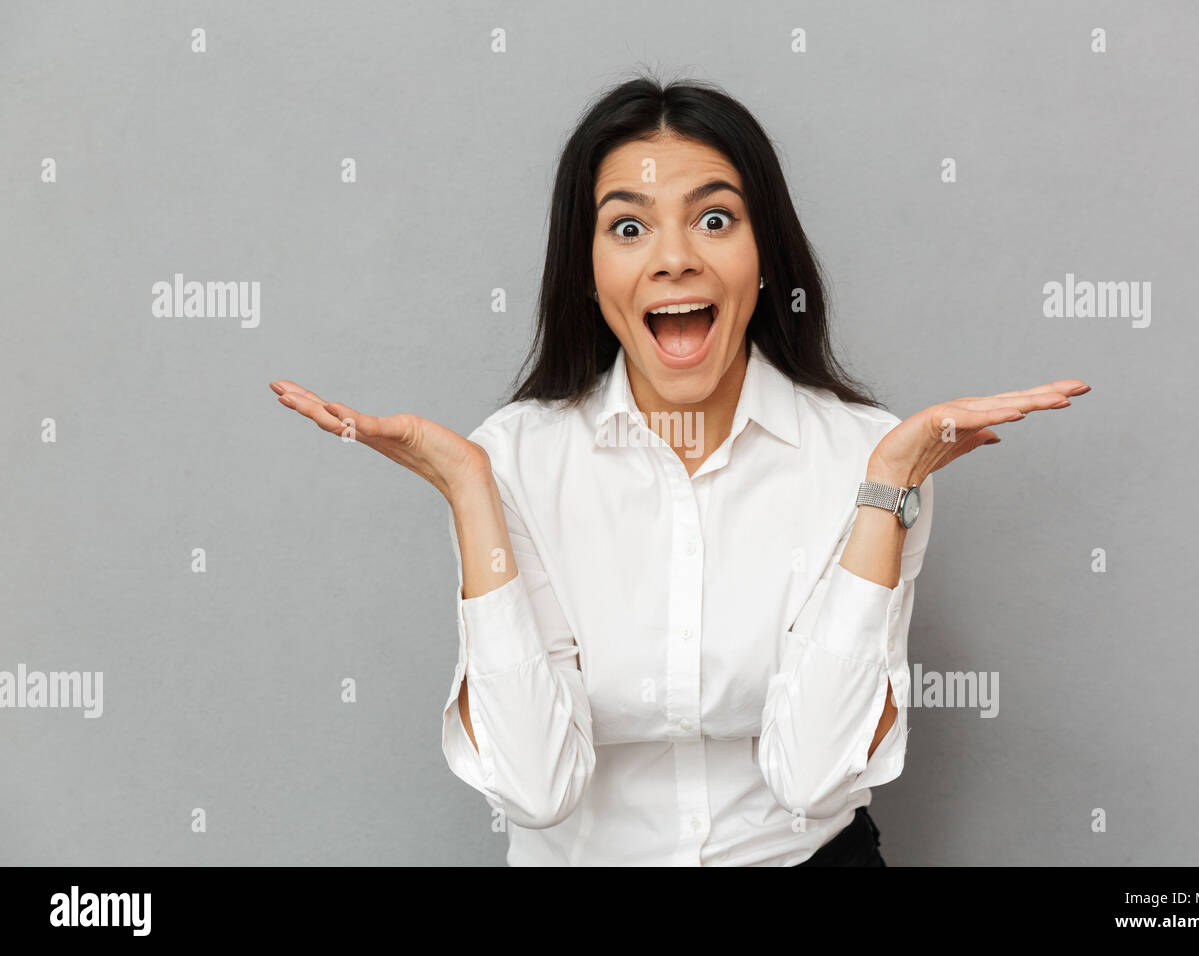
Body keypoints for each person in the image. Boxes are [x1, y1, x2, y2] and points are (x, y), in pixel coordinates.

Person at [270, 73, 1088, 865]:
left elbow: (813, 777)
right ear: (588, 275)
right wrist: (472, 491)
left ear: (765, 257)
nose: (673, 260)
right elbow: (533, 788)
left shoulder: (865, 458)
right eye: (628, 228)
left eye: (715, 221)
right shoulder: (514, 459)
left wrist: (888, 489)